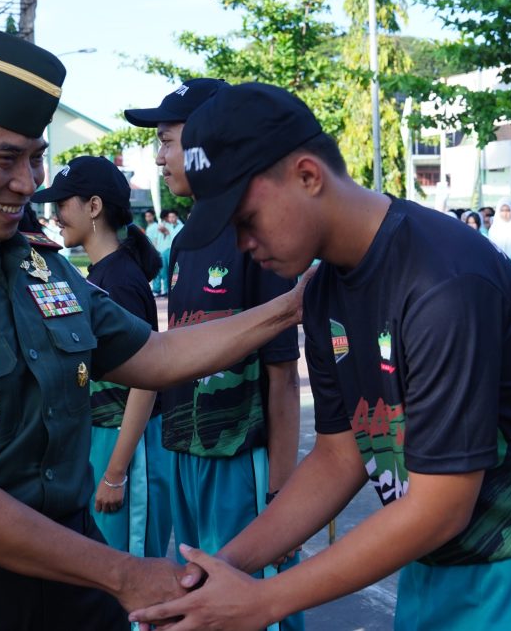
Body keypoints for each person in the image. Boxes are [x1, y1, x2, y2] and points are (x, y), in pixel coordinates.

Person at [0, 21, 307, 630]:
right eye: (4, 158)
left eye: (37, 157)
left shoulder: (41, 270)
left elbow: (153, 354)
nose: (29, 183)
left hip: (76, 590)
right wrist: (125, 574)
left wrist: (294, 304)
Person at [129, 81, 511, 631]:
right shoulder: (320, 292)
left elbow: (441, 506)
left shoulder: (441, 282)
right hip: (433, 561)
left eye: (245, 220)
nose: (242, 244)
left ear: (308, 176)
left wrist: (264, 601)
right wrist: (220, 570)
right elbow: (341, 457)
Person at [124, 78, 304, 630]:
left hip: (237, 455)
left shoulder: (256, 232)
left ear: (207, 142)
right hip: (184, 449)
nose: (159, 157)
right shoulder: (183, 241)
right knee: (201, 589)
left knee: (254, 601)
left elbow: (281, 375)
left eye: (168, 139)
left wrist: (279, 487)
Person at [29, 156, 173, 558]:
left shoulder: (120, 281)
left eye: (62, 205)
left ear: (93, 207)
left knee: (134, 570)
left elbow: (147, 379)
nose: (56, 216)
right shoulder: (101, 274)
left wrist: (115, 473)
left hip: (131, 448)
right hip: (110, 441)